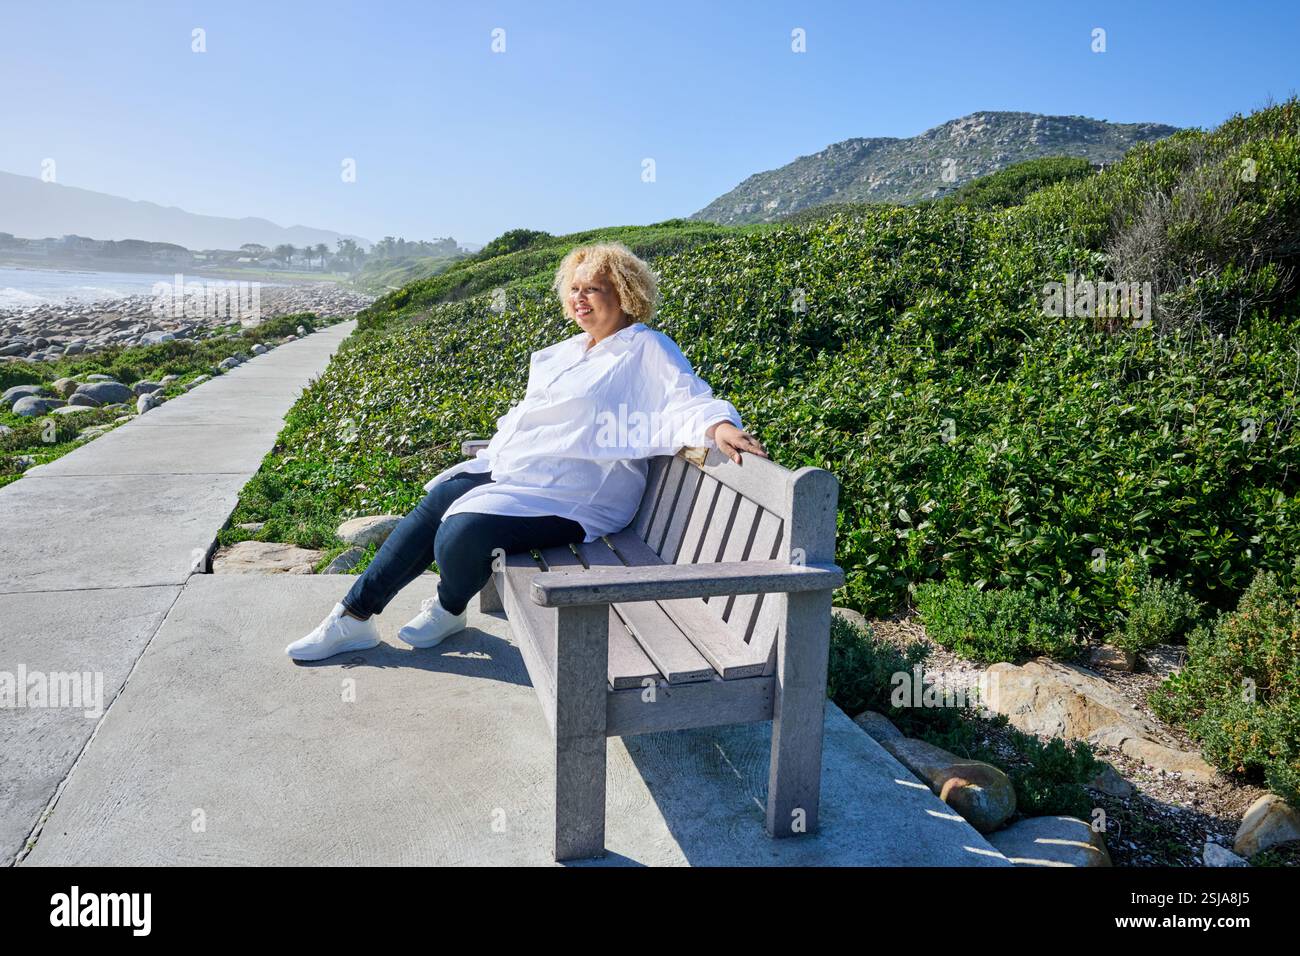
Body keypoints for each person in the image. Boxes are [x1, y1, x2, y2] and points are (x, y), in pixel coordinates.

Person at [286, 241, 768, 661]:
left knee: (461, 534)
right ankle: (353, 617)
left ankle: (449, 607)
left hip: (583, 494)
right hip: (525, 472)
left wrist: (718, 424)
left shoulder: (644, 347)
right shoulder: (569, 351)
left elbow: (684, 394)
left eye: (593, 289)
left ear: (623, 293)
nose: (580, 299)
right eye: (574, 289)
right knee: (438, 500)